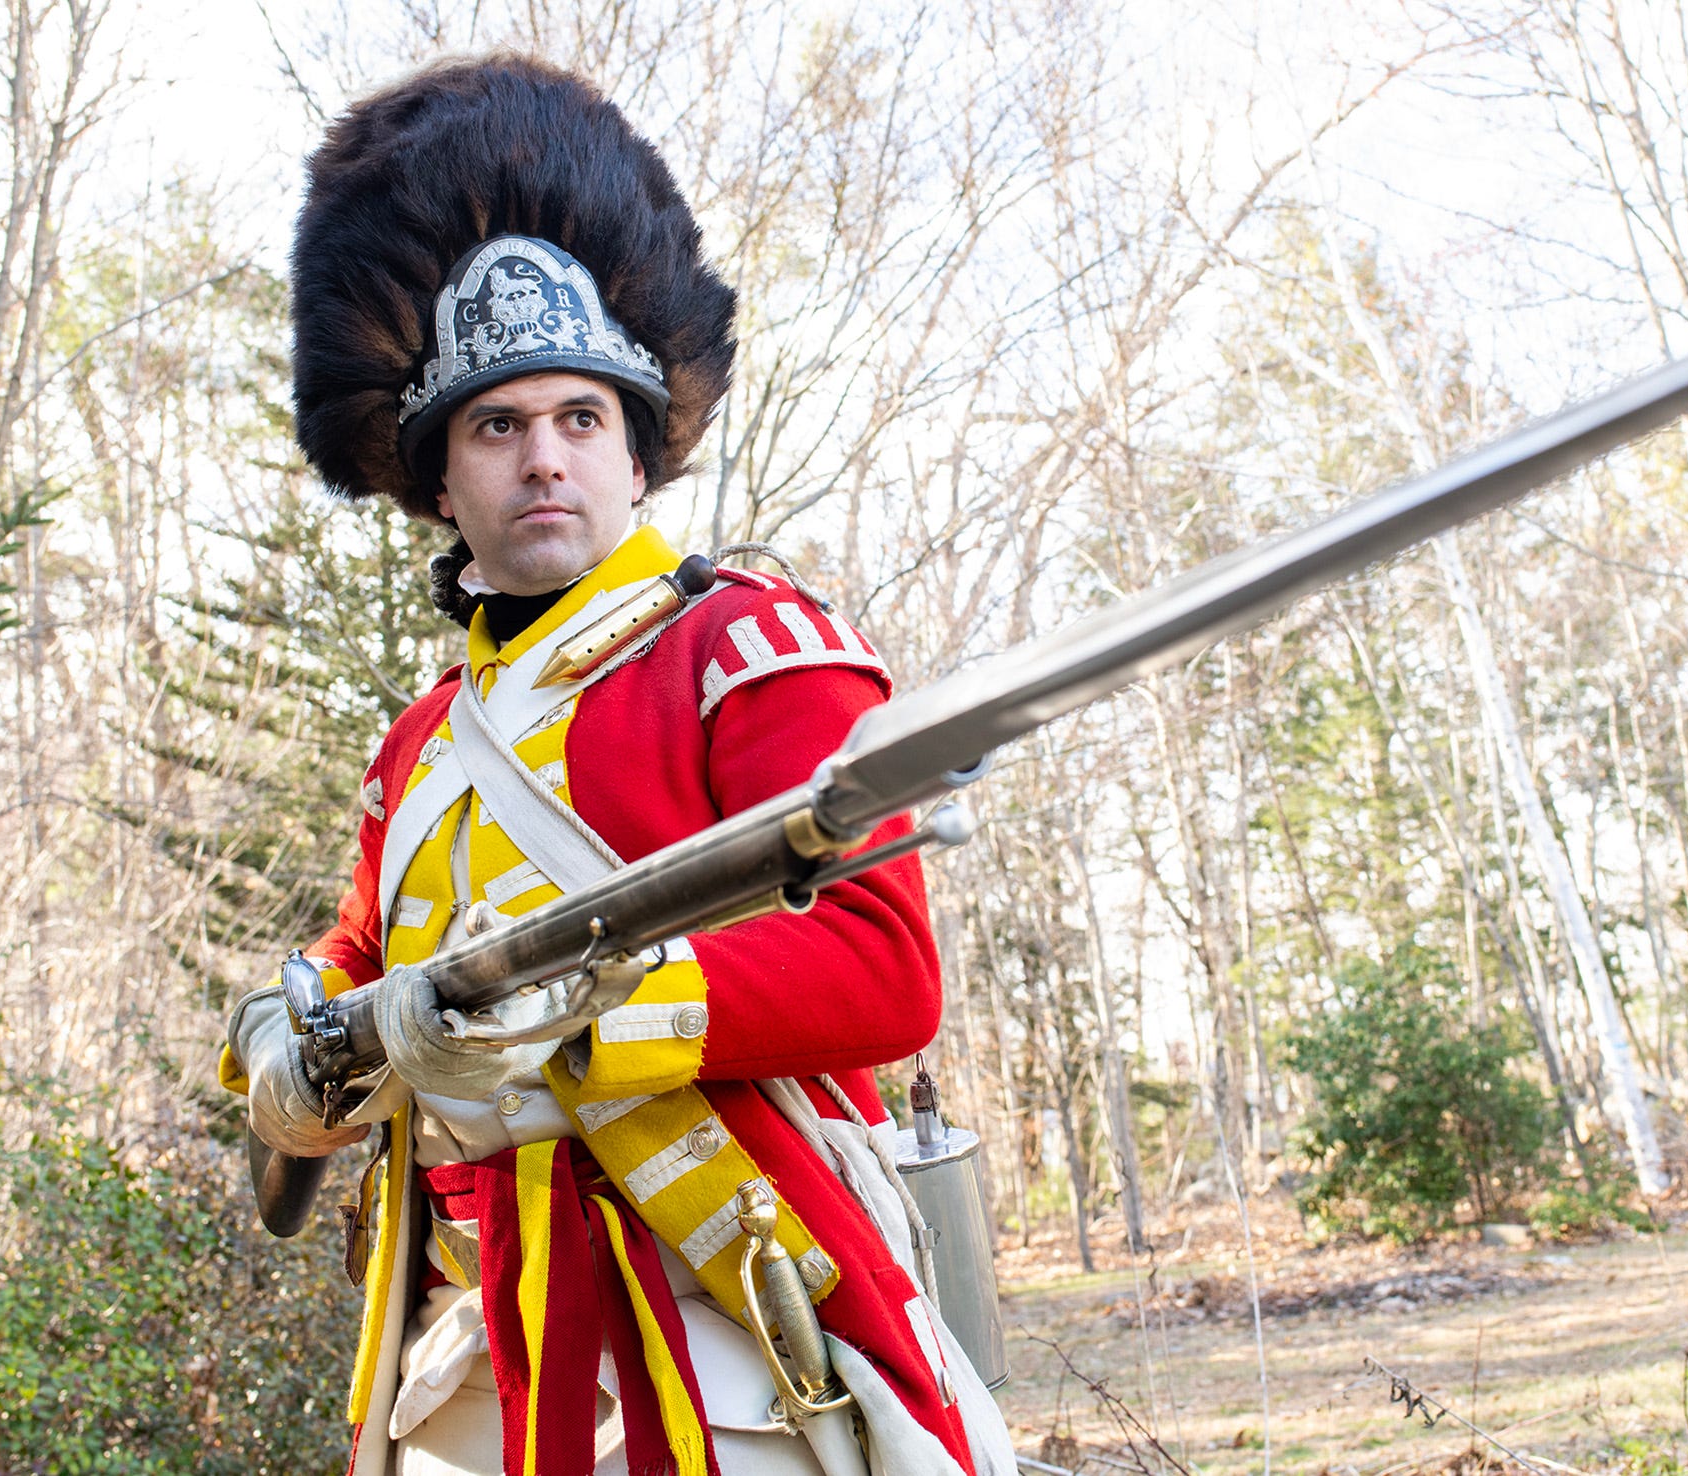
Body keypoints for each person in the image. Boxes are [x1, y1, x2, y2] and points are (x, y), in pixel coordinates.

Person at [218, 54, 1017, 1476]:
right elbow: (356, 959)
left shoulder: (753, 646)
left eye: (580, 419)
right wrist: (289, 1050)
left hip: (724, 1319)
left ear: (637, 459)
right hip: (471, 1349)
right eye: (498, 425)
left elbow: (885, 974)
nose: (544, 459)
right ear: (441, 478)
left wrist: (597, 1008)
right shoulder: (419, 744)